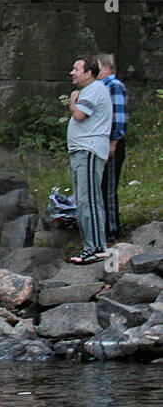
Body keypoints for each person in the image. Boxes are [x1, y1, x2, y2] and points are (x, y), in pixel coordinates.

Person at [66, 55, 113, 264]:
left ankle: (95, 248)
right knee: (83, 200)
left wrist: (73, 100)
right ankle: (93, 246)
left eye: (76, 69)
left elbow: (79, 115)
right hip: (81, 151)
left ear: (89, 73)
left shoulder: (93, 90)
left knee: (89, 200)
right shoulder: (92, 90)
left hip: (89, 150)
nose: (72, 73)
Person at [95, 52, 129, 244]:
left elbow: (119, 116)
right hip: (101, 142)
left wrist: (113, 142)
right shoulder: (100, 88)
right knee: (101, 186)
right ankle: (103, 228)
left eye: (97, 68)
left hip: (111, 143)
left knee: (108, 187)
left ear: (107, 68)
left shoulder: (114, 86)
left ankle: (112, 231)